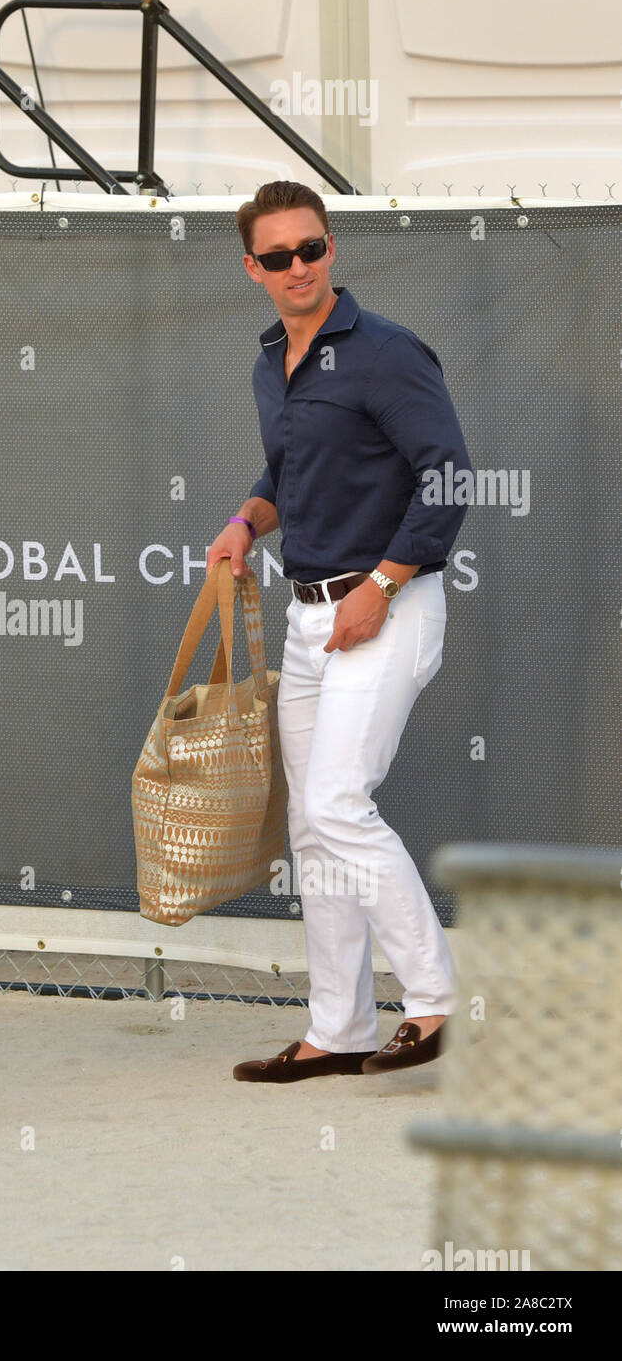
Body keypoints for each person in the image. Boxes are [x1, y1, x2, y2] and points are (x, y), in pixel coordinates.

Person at [208, 180, 471, 1083]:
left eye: (311, 248)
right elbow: (286, 474)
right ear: (253, 268)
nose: (299, 268)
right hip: (307, 616)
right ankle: (339, 1027)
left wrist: (386, 585)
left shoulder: (387, 353)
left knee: (336, 805)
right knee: (314, 836)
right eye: (277, 257)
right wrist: (246, 522)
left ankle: (436, 1000)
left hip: (385, 610)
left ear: (332, 249)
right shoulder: (271, 360)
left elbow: (448, 476)